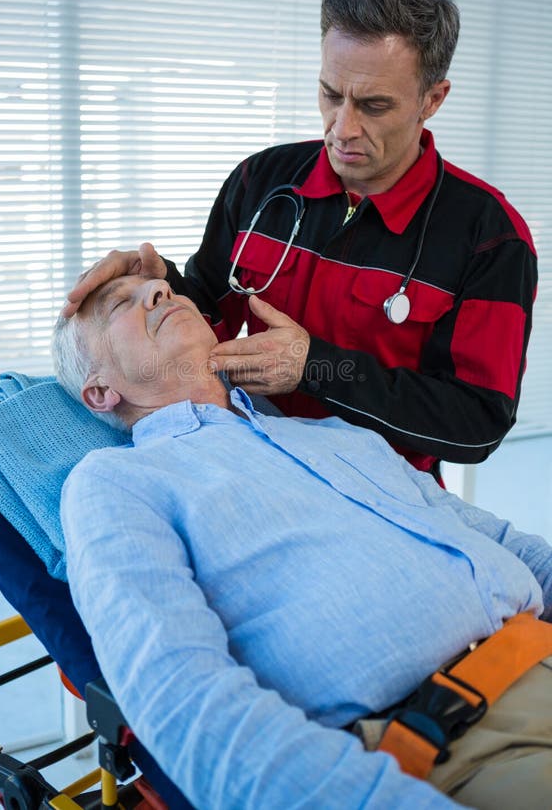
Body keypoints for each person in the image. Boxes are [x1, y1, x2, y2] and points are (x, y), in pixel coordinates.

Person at [54, 275, 552, 810]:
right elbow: (188, 704)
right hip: (456, 749)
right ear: (101, 391)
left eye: (164, 288)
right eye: (118, 306)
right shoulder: (113, 483)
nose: (160, 290)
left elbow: (507, 545)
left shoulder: (339, 435)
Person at [62, 0, 537, 479]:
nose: (343, 128)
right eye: (331, 94)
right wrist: (161, 286)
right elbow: (211, 316)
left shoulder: (489, 238)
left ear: (433, 99)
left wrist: (315, 368)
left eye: (374, 106)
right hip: (256, 465)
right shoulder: (259, 181)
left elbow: (477, 423)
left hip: (390, 499)